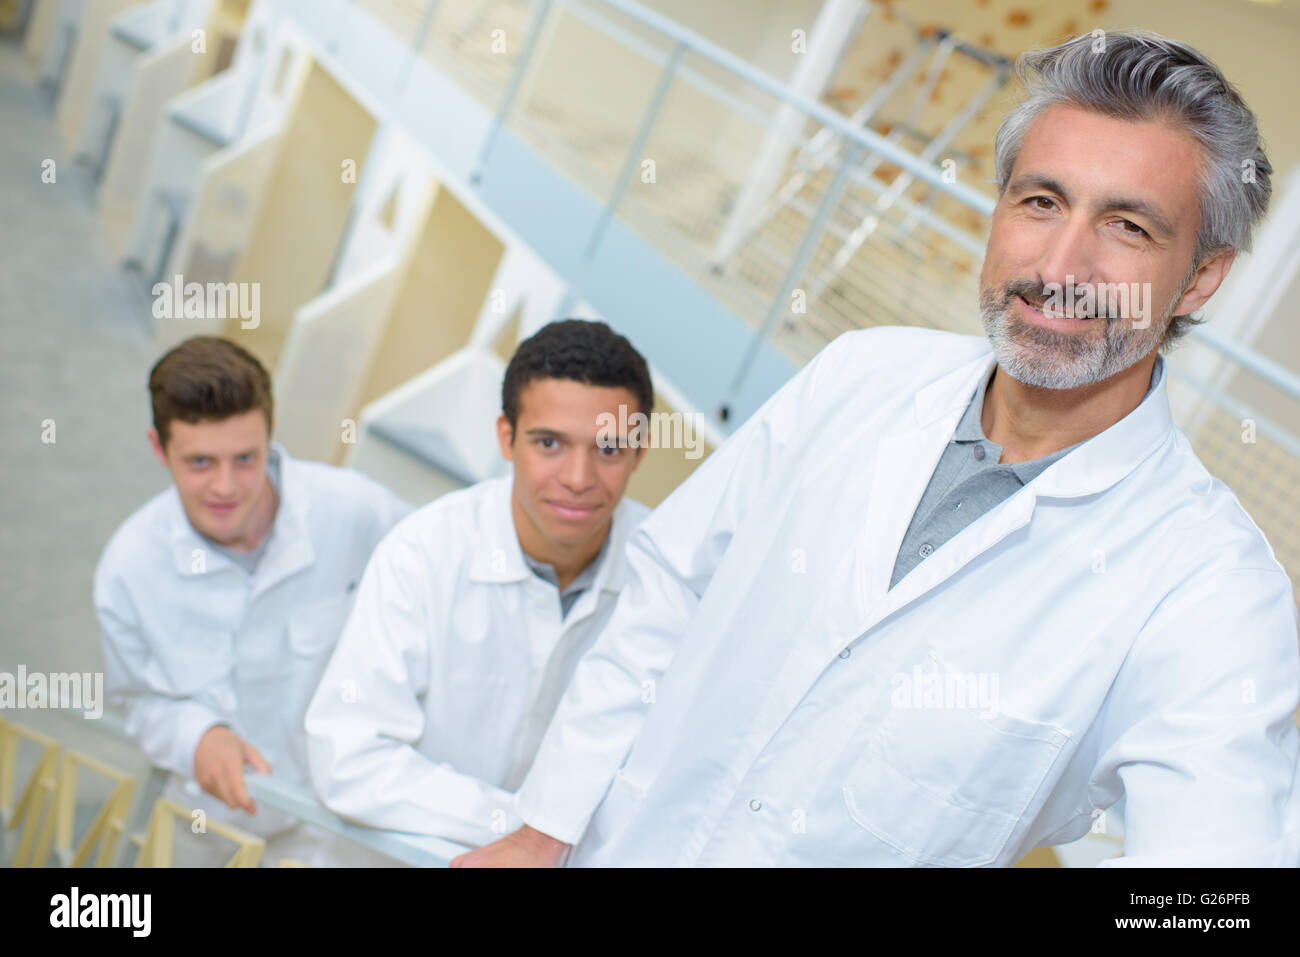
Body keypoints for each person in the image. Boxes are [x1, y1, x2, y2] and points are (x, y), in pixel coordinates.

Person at [453, 31, 1300, 868]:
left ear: (1200, 277)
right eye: (1040, 201)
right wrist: (545, 824)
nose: (1059, 263)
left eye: (1127, 226)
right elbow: (671, 589)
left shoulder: (1211, 589)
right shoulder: (860, 374)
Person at [304, 319, 652, 849]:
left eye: (608, 449)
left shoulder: (666, 575)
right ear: (506, 439)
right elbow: (349, 758)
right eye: (550, 443)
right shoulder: (422, 553)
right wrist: (531, 830)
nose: (579, 478)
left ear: (639, 452)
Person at [93, 336, 412, 866]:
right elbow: (139, 699)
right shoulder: (130, 568)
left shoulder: (357, 512)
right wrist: (197, 737)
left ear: (270, 434)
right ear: (158, 448)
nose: (225, 487)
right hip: (205, 827)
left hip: (334, 828)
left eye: (246, 458)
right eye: (199, 462)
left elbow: (442, 587)